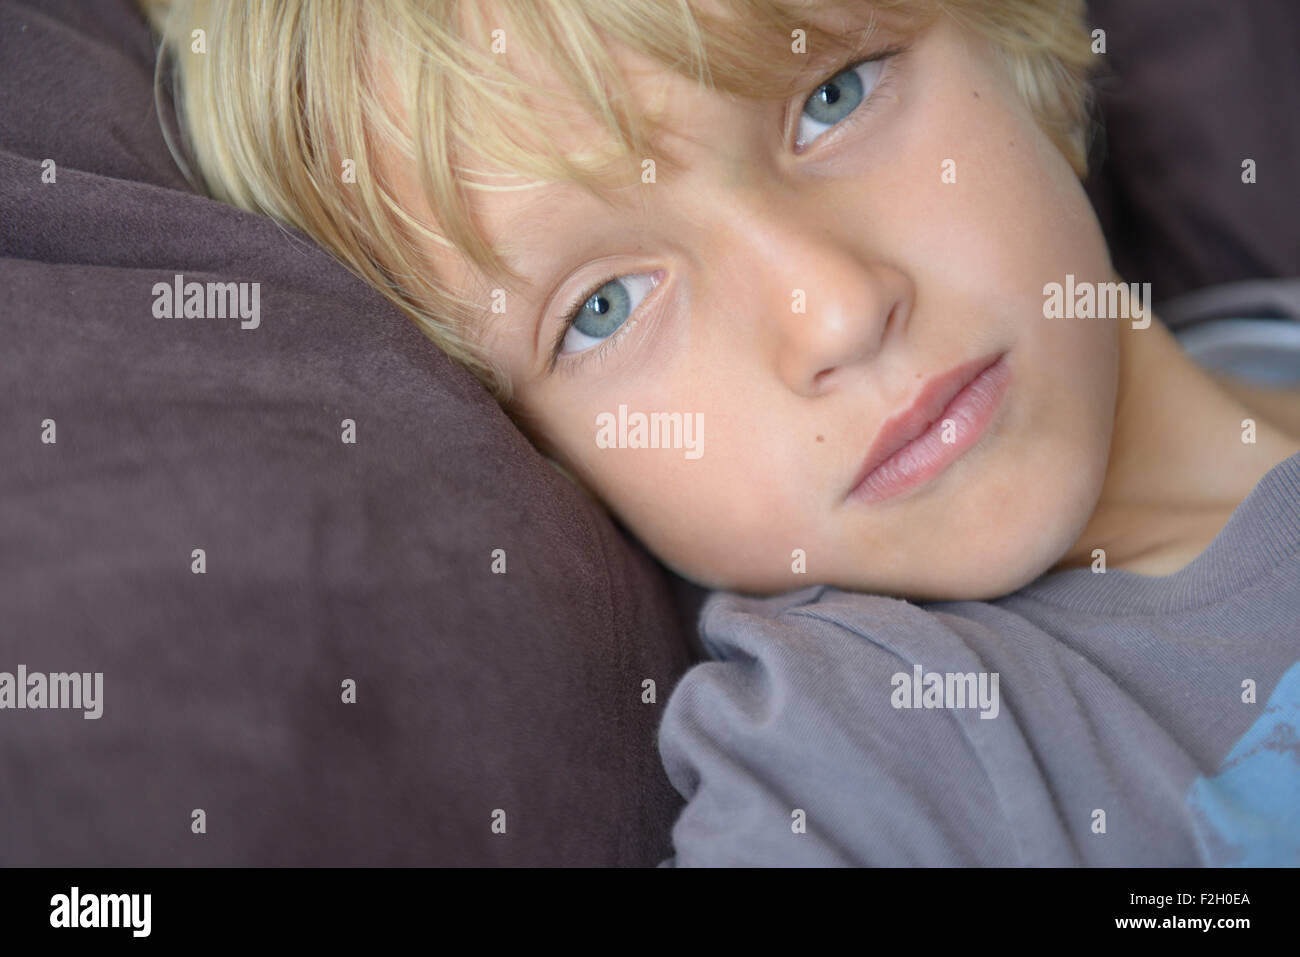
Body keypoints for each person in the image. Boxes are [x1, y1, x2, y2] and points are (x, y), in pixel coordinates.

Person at [141, 0, 1300, 864]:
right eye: (603, 310)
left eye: (832, 97)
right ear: (527, 449)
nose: (835, 310)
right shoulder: (873, 752)